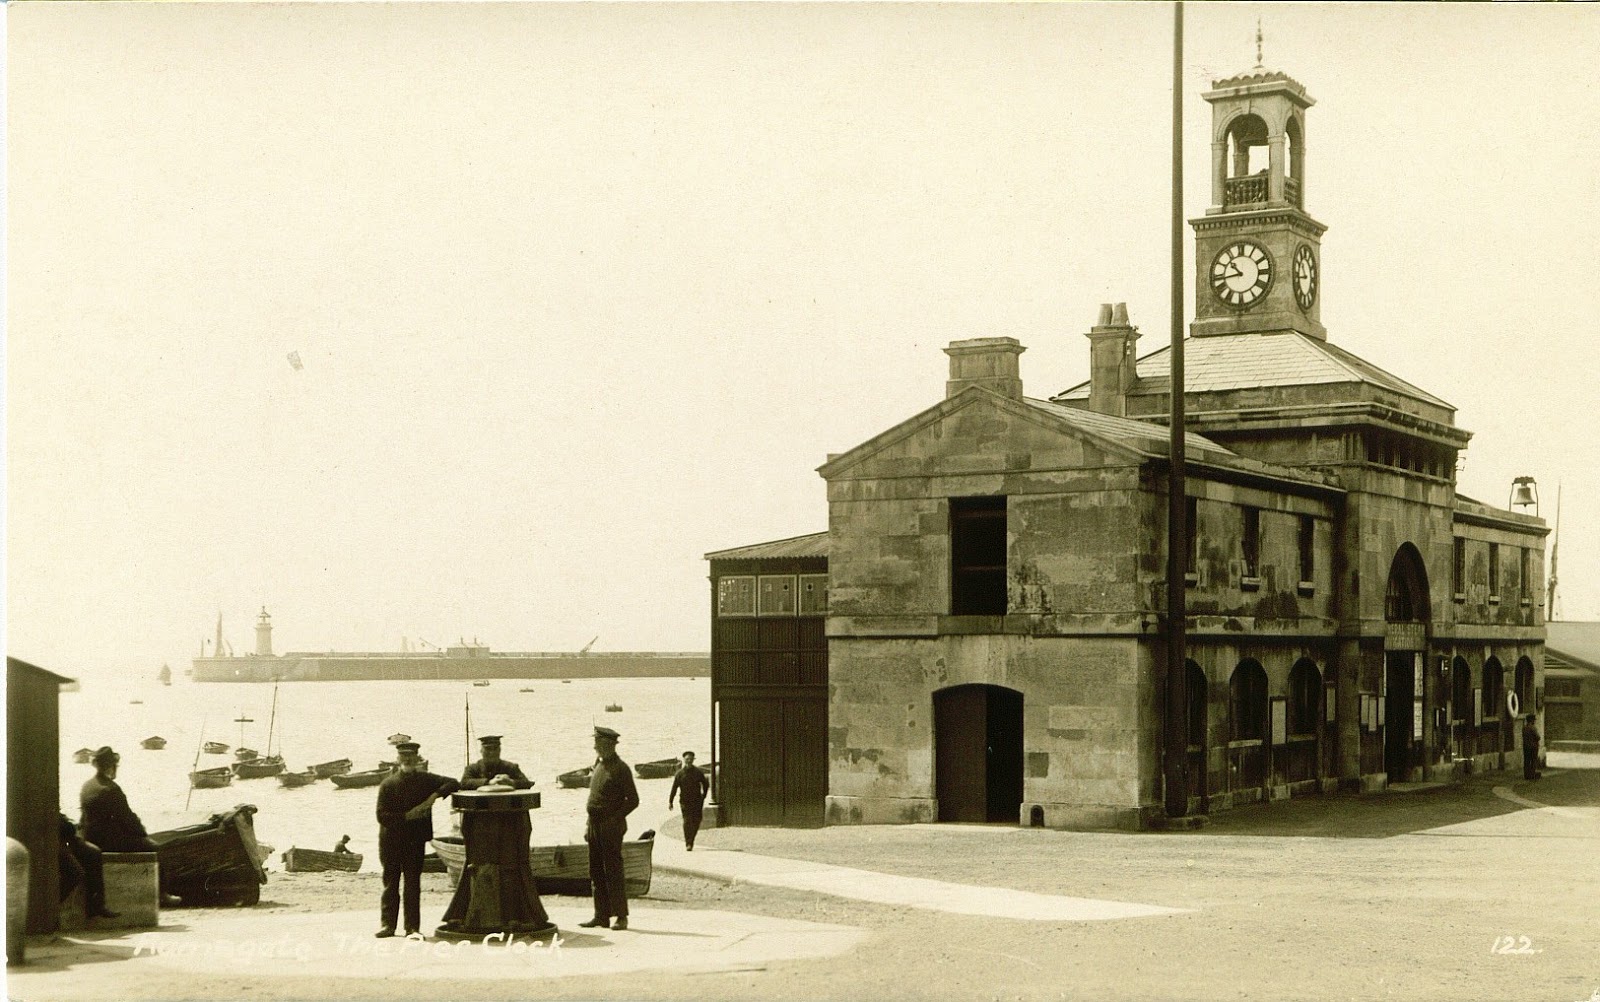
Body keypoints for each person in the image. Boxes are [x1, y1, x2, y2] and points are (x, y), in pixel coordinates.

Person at [374, 741, 459, 938]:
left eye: (411, 757)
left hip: (414, 841)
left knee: (412, 884)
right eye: (404, 756)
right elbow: (381, 816)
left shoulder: (426, 780)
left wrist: (433, 798)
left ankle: (412, 928)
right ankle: (388, 926)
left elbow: (454, 782)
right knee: (390, 883)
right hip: (390, 840)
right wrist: (406, 817)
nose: (407, 760)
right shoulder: (387, 784)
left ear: (417, 758)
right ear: (398, 759)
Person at [580, 725, 638, 931]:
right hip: (594, 825)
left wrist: (615, 819)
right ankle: (601, 915)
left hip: (610, 826)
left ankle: (621, 916)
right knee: (595, 870)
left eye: (599, 743)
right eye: (595, 743)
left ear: (610, 745)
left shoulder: (621, 769)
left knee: (613, 871)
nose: (595, 747)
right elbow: (593, 797)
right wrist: (588, 825)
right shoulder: (598, 764)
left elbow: (633, 800)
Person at [79, 747, 157, 852]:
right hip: (107, 843)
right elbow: (128, 818)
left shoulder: (87, 785)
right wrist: (144, 834)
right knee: (153, 847)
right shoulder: (111, 789)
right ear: (111, 766)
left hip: (89, 838)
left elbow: (83, 818)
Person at [58, 814, 116, 919]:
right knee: (76, 872)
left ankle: (96, 906)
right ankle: (51, 905)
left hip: (65, 838)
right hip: (56, 841)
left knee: (94, 852)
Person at [668, 750, 710, 851]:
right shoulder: (680, 774)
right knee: (687, 821)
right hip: (685, 801)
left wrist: (703, 796)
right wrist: (670, 801)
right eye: (687, 759)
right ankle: (688, 843)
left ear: (693, 760)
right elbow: (674, 788)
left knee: (697, 820)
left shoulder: (698, 772)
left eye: (691, 759)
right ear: (684, 760)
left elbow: (705, 784)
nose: (689, 761)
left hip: (697, 801)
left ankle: (692, 839)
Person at [459, 735, 533, 790]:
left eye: (495, 749)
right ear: (481, 751)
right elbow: (463, 783)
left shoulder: (511, 767)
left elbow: (527, 783)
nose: (492, 752)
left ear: (499, 750)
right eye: (488, 749)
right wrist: (488, 782)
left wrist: (511, 782)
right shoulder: (473, 769)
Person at [1522, 715, 1542, 780]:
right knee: (1533, 761)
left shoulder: (1524, 728)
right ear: (1531, 720)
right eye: (1534, 720)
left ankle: (1526, 775)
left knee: (1526, 761)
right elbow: (1538, 737)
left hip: (1526, 746)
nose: (1534, 721)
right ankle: (1532, 775)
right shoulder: (1533, 728)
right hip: (1533, 746)